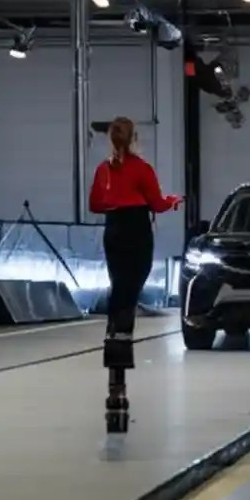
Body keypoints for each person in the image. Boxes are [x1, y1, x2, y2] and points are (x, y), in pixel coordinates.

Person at [88, 116, 181, 433]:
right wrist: (172, 201)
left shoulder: (104, 169)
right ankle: (118, 363)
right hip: (137, 229)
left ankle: (116, 380)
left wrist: (116, 199)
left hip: (113, 229)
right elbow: (156, 203)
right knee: (129, 294)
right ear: (135, 138)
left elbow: (95, 205)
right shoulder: (142, 168)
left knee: (120, 292)